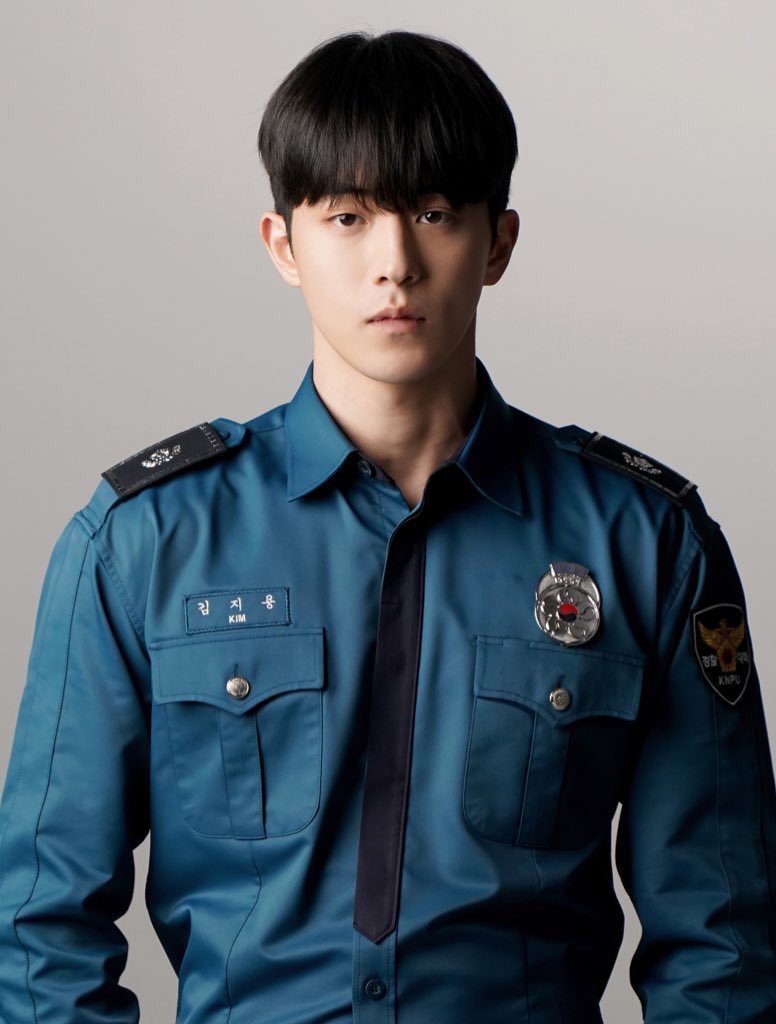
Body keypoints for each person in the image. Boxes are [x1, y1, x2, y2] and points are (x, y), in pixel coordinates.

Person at [0, 28, 773, 1024]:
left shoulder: (645, 541)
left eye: (435, 214)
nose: (394, 264)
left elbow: (720, 943)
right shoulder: (143, 541)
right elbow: (40, 926)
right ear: (284, 244)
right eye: (348, 216)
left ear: (497, 242)